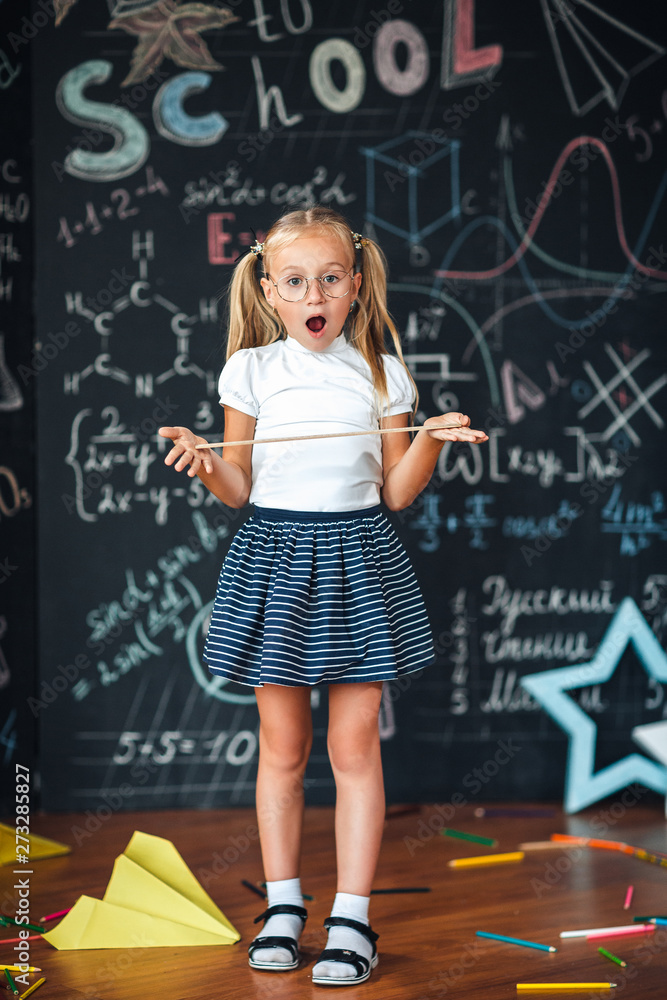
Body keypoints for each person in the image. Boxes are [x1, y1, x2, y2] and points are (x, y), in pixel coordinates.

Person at [159, 206, 488, 986]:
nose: (315, 291)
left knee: (354, 745)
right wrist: (206, 462)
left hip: (357, 557)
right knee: (283, 748)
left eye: (330, 278)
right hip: (274, 556)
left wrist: (431, 444)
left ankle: (352, 917)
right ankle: (281, 907)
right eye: (297, 279)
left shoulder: (382, 372)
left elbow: (397, 492)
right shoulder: (250, 370)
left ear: (354, 285)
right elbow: (238, 487)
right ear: (270, 291)